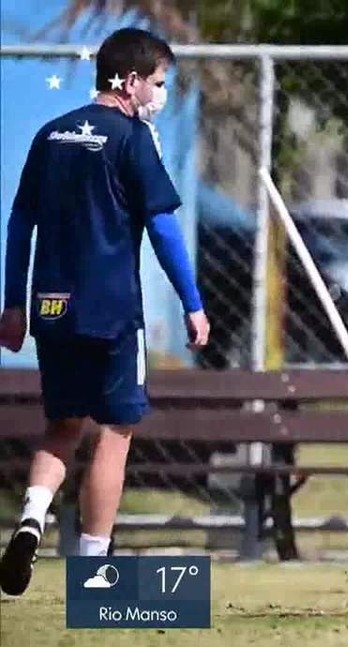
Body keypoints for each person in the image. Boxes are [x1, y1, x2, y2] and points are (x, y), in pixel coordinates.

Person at [0, 27, 209, 597]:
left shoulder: (49, 136)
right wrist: (192, 303)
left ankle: (30, 520)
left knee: (61, 426)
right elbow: (164, 230)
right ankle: (95, 572)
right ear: (132, 81)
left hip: (51, 308)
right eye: (160, 83)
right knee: (115, 432)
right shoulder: (132, 139)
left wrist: (13, 303)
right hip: (113, 311)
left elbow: (21, 225)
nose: (161, 94)